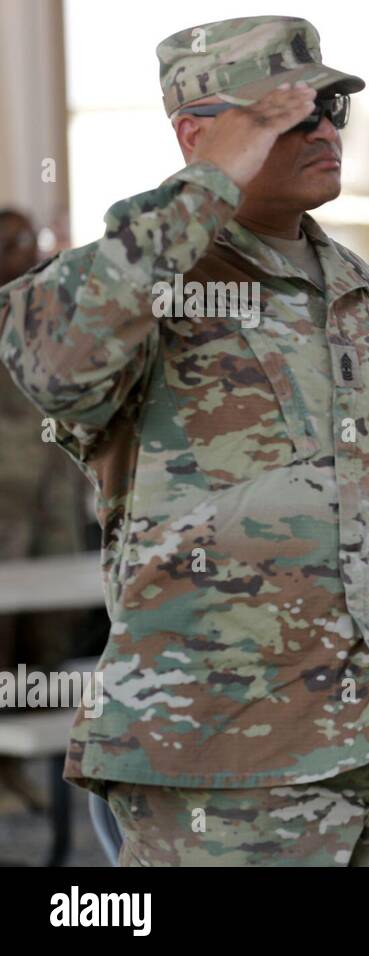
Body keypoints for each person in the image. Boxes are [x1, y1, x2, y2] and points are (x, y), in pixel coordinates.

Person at [0, 16, 369, 865]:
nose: (326, 127)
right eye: (289, 113)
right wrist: (210, 179)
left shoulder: (357, 290)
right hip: (224, 773)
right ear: (197, 132)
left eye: (333, 106)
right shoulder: (147, 283)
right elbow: (49, 355)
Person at [0, 209, 88, 814]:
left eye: (30, 243)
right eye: (10, 244)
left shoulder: (46, 316)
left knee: (48, 634)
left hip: (51, 498)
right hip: (5, 502)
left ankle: (22, 769)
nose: (23, 253)